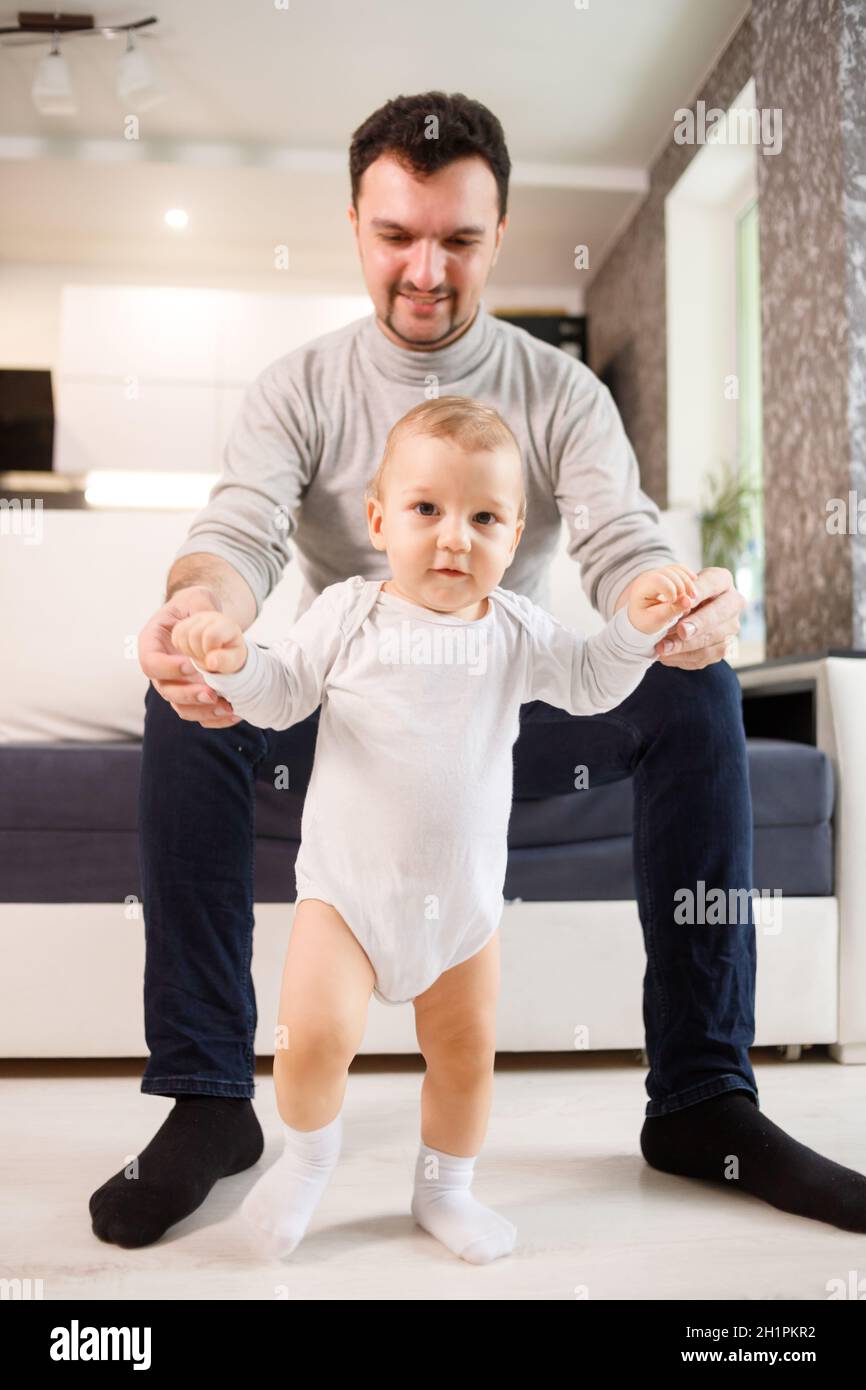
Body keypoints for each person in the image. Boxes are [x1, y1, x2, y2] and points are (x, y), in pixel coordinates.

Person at [91, 91, 866, 1249]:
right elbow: (239, 533)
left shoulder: (560, 395)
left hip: (503, 702)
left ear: (498, 233)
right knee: (186, 706)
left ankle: (703, 1095)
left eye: (456, 238)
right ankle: (210, 1099)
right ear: (355, 224)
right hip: (332, 702)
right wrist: (198, 614)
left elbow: (620, 546)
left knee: (692, 685)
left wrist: (673, 603)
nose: (423, 269)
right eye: (396, 234)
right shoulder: (296, 389)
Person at [169, 395, 696, 1262]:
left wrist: (637, 624)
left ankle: (445, 1189)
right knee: (312, 1041)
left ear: (519, 532)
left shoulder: (517, 629)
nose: (455, 537)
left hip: (460, 908)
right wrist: (237, 663)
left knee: (465, 1056)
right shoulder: (350, 613)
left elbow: (594, 684)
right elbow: (284, 695)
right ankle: (305, 1161)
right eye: (427, 510)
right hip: (346, 895)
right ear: (379, 520)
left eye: (484, 517)